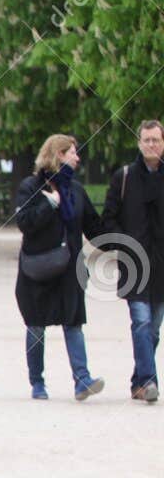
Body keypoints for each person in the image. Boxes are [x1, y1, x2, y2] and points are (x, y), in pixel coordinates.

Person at [14, 134, 105, 401]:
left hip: (70, 268)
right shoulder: (31, 187)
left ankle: (82, 380)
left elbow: (94, 227)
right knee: (36, 326)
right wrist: (50, 202)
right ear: (58, 155)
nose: (77, 157)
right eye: (73, 153)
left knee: (73, 322)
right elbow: (25, 222)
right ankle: (37, 382)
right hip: (38, 268)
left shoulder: (75, 190)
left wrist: (122, 241)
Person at [96, 120, 164, 403]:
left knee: (153, 330)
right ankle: (149, 382)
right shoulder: (123, 177)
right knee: (141, 323)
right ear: (138, 143)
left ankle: (138, 382)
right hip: (134, 265)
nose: (151, 145)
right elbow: (108, 218)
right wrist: (124, 243)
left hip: (162, 267)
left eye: (156, 140)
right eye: (147, 140)